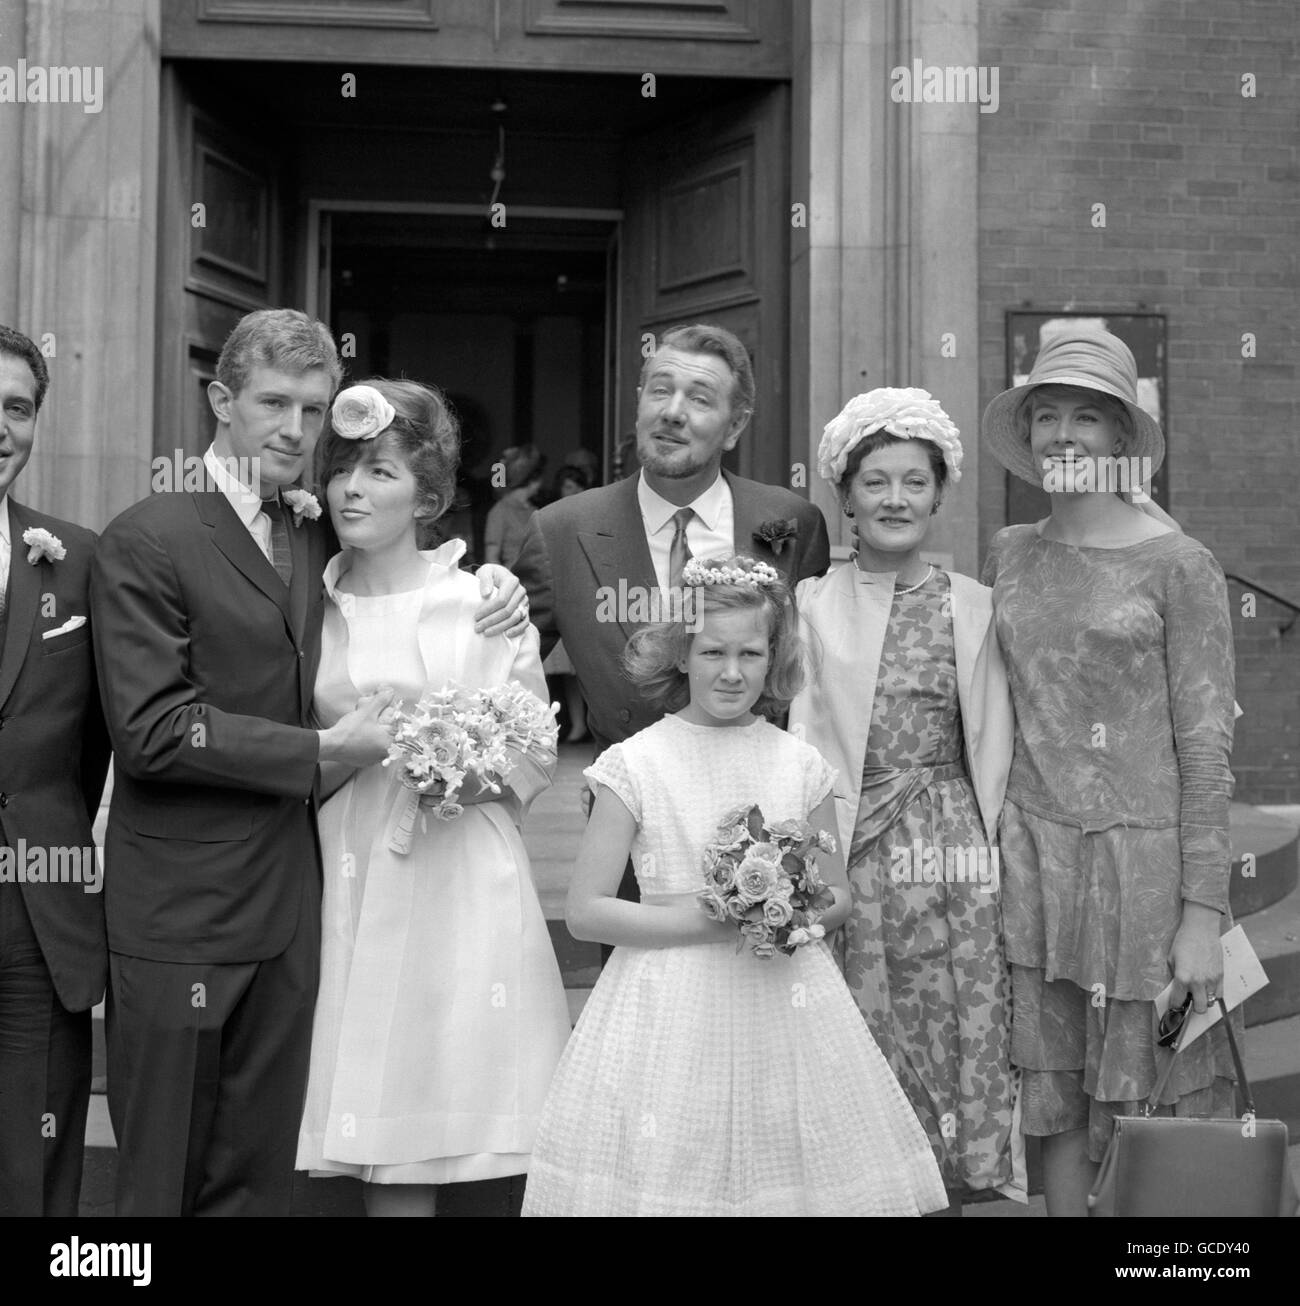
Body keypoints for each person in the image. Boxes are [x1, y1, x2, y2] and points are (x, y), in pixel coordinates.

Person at [89, 308, 528, 1216]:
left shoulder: (317, 539)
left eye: (315, 408)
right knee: (157, 1175)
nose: (296, 429)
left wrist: (495, 582)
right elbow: (152, 729)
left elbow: (405, 576)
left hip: (300, 905)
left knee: (256, 1177)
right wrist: (325, 750)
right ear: (220, 400)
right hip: (182, 909)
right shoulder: (149, 533)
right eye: (273, 403)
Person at [522, 555, 947, 1216]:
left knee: (779, 1160)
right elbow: (585, 912)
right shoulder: (634, 765)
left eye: (751, 653)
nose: (731, 670)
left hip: (783, 998)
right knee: (678, 1162)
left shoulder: (800, 764)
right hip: (666, 1006)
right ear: (681, 654)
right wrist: (720, 918)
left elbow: (836, 896)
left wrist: (792, 917)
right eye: (712, 650)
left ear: (774, 658)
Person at [296, 380, 570, 1216]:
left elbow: (535, 749)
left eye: (379, 472)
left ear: (430, 494)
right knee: (375, 1114)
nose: (352, 489)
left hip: (460, 871)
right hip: (347, 860)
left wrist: (457, 769)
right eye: (342, 468)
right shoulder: (306, 601)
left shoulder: (480, 603)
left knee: (443, 1093)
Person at [980, 326, 1237, 1216]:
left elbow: (1207, 746)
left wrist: (1204, 913)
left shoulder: (1182, 567)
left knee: (1151, 1099)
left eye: (1085, 417)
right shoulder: (1010, 551)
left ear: (1123, 438)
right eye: (1045, 414)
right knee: (1049, 1100)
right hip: (1034, 865)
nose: (1062, 434)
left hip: (1147, 876)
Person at [789, 388, 1024, 1213]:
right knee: (860, 1024)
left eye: (915, 482)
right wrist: (814, 866)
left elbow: (992, 736)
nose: (896, 499)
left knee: (957, 1016)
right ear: (844, 495)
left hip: (954, 848)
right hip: (852, 845)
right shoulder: (811, 604)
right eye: (876, 481)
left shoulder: (976, 605)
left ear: (939, 492)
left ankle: (954, 1183)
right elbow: (803, 741)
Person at [0, 326, 110, 1216]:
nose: (2, 426)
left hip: (39, 918)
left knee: (34, 1173)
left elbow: (96, 750)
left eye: (17, 408)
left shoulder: (75, 559)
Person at [540, 463, 593, 743]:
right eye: (564, 487)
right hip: (561, 595)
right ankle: (556, 725)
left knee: (583, 669)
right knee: (553, 668)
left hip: (586, 598)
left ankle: (586, 723)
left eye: (572, 487)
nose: (566, 492)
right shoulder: (554, 519)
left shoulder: (593, 517)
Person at [484, 444, 546, 568]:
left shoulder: (534, 510)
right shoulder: (499, 511)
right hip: (513, 580)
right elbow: (491, 558)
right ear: (533, 480)